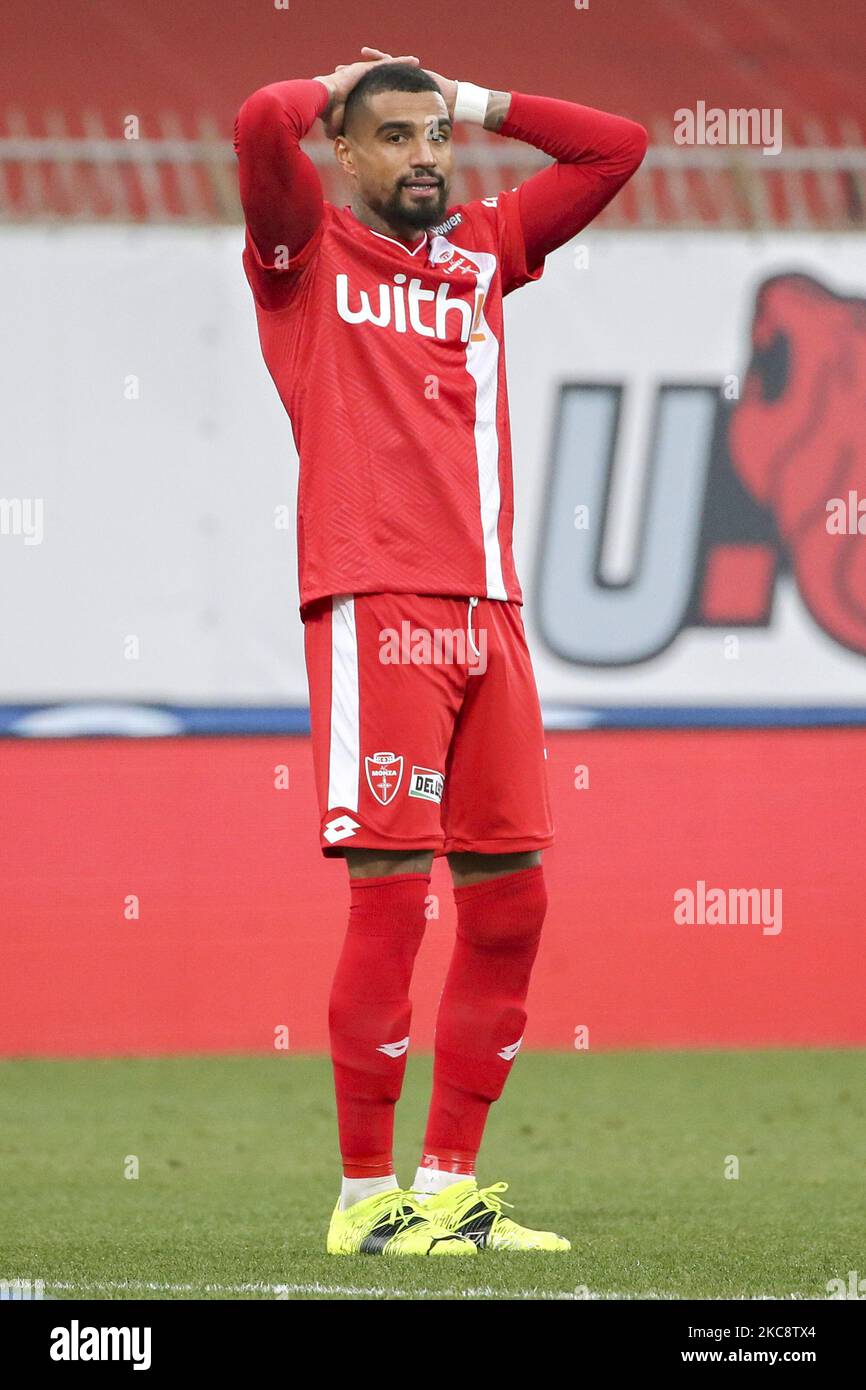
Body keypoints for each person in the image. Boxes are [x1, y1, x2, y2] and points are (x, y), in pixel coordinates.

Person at [234, 46, 647, 1256]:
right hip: (377, 603)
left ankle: (450, 1187)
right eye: (396, 137)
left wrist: (475, 99)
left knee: (509, 902)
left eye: (436, 138)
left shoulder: (482, 247)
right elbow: (263, 119)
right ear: (346, 155)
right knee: (390, 902)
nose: (424, 156)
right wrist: (338, 84)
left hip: (488, 610)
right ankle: (365, 1202)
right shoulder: (300, 257)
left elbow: (614, 144)